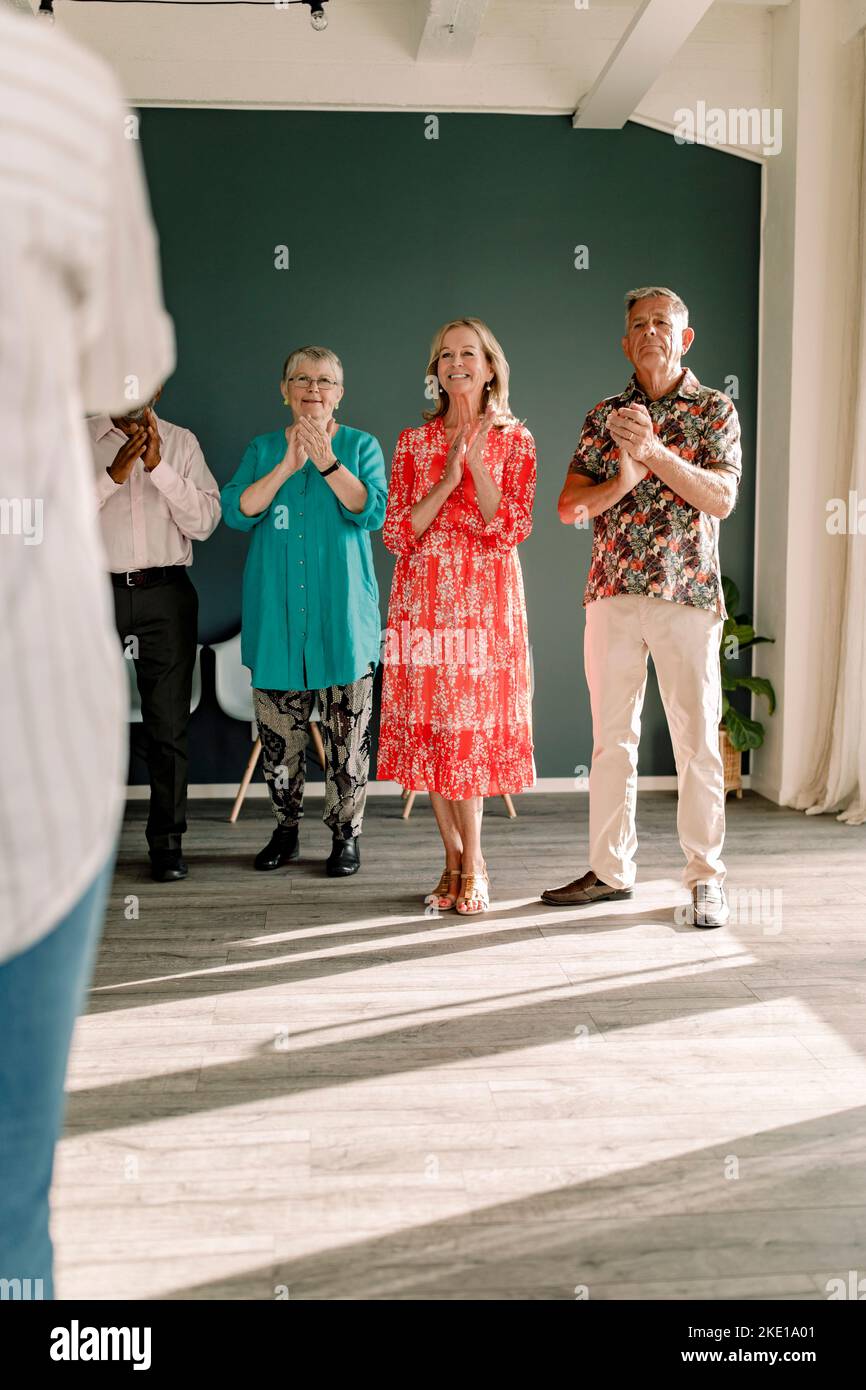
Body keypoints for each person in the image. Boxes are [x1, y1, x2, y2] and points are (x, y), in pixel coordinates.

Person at [0, 6, 174, 1297]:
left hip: (115, 633)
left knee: (167, 738)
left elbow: (198, 508)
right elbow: (124, 359)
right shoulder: (50, 94)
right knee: (9, 1220)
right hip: (33, 728)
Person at [542, 287, 741, 928]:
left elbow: (720, 499)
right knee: (611, 742)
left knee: (696, 744)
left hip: (687, 595)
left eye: (663, 322)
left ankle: (706, 880)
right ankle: (609, 871)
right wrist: (620, 481)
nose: (650, 331)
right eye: (638, 324)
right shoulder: (606, 414)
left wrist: (654, 454)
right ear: (625, 343)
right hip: (612, 594)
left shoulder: (715, 410)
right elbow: (570, 507)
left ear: (685, 339)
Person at [378, 317, 536, 915]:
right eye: (446, 355)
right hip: (421, 596)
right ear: (435, 370)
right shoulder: (412, 442)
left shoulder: (517, 439)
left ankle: (477, 865)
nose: (456, 363)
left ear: (491, 366)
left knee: (464, 731)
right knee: (431, 731)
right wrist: (446, 478)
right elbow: (397, 531)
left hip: (484, 599)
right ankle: (451, 861)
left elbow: (510, 526)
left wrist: (475, 463)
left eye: (469, 353)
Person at [221, 347, 386, 876]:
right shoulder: (263, 447)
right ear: (285, 390)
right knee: (279, 746)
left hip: (343, 625)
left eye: (324, 381)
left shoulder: (361, 446)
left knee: (347, 744)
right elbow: (237, 511)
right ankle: (285, 830)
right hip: (277, 624)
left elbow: (372, 511)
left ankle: (345, 837)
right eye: (301, 379)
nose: (313, 389)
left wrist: (326, 464)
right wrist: (289, 465)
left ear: (339, 393)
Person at [88, 388, 221, 881]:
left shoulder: (182, 443)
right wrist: (111, 478)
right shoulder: (77, 441)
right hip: (92, 593)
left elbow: (206, 522)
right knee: (84, 723)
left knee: (166, 726)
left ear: (158, 386)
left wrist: (160, 470)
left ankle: (166, 845)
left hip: (166, 593)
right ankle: (84, 849)